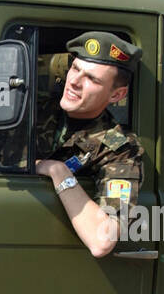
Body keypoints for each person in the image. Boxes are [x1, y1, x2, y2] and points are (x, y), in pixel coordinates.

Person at [32, 31, 144, 258]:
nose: (74, 82)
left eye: (92, 79)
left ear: (117, 95)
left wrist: (58, 171)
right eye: (75, 68)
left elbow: (103, 239)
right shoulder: (31, 108)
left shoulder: (119, 148)